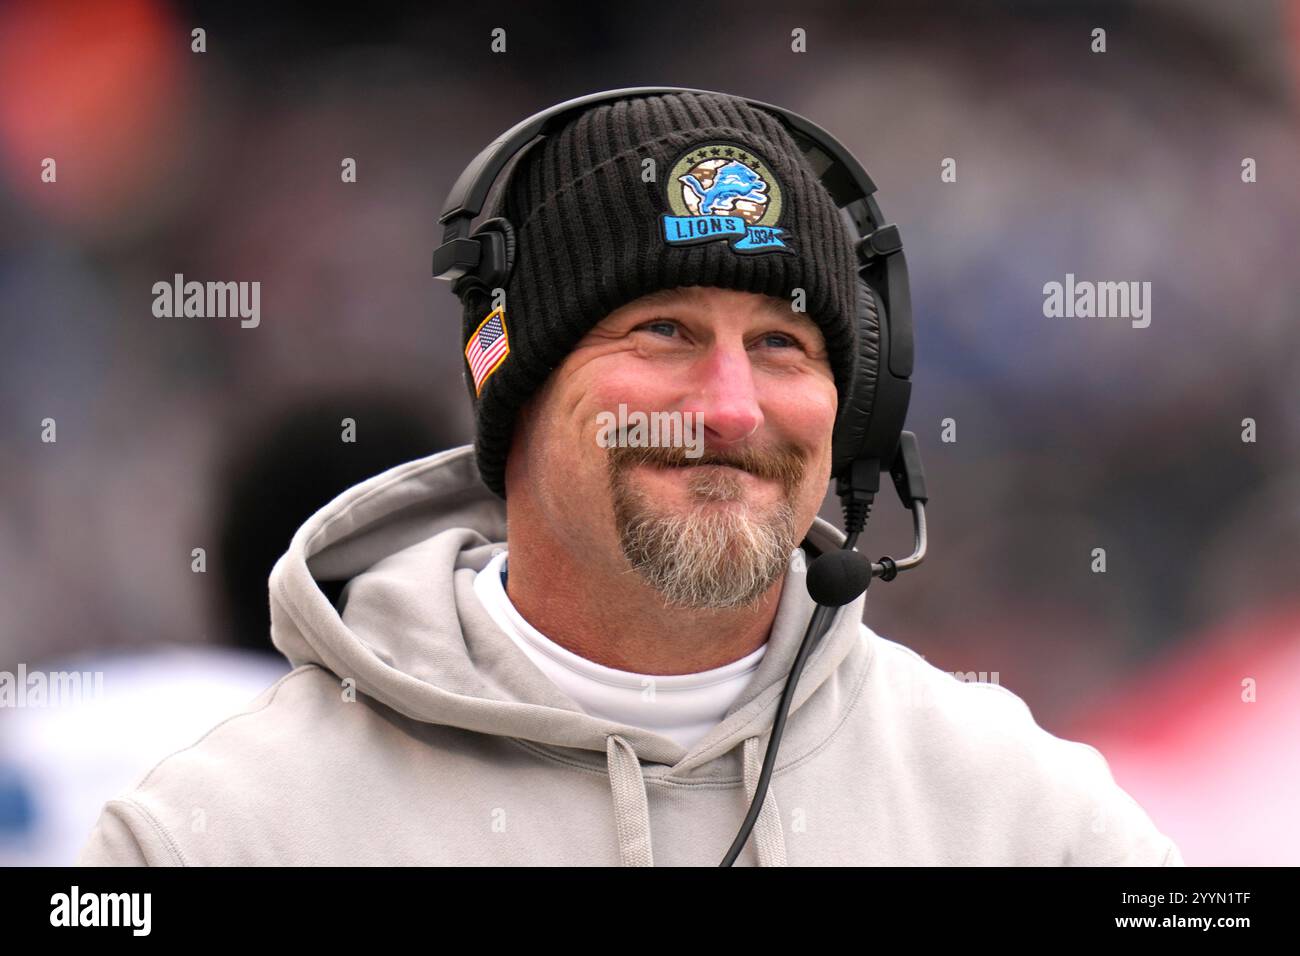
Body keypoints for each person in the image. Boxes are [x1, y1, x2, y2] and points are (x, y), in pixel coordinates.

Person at [76, 90, 1183, 866]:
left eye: (784, 345)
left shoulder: (1035, 823)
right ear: (512, 386)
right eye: (661, 329)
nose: (732, 406)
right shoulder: (216, 834)